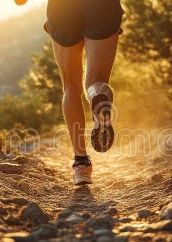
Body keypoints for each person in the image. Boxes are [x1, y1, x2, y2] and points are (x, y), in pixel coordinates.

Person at [45, 0, 123, 185]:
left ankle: (81, 163)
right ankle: (98, 97)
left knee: (71, 86)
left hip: (62, 8)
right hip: (102, 6)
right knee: (97, 80)